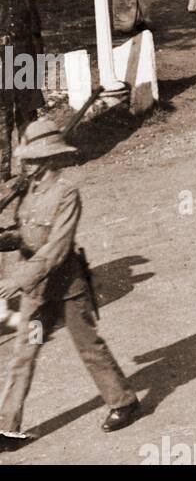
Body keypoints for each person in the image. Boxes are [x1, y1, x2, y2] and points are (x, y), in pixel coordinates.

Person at [0, 118, 141, 450]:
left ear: (49, 159)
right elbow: (27, 234)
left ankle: (123, 402)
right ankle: (7, 426)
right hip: (39, 293)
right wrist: (4, 239)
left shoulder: (67, 194)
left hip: (66, 290)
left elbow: (56, 249)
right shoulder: (29, 192)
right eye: (25, 157)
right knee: (24, 353)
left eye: (32, 158)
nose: (25, 163)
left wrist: (17, 280)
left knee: (88, 347)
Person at [0, 0, 44, 181]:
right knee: (3, 115)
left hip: (24, 61)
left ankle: (29, 162)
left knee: (27, 112)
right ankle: (3, 168)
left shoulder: (26, 0)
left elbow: (36, 36)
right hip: (2, 63)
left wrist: (40, 66)